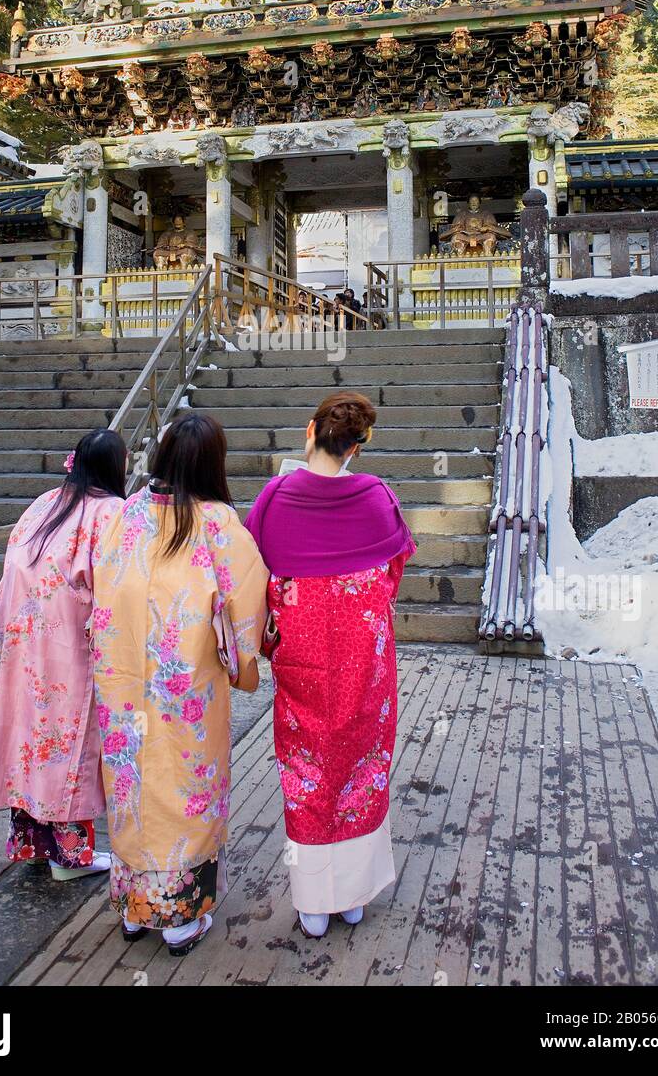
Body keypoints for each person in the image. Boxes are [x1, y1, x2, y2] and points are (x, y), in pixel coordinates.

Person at [91, 412, 268, 958]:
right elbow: (245, 606)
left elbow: (105, 584)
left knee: (132, 790)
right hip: (186, 692)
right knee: (184, 790)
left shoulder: (131, 514)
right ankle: (179, 918)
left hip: (122, 682)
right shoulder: (218, 524)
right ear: (214, 464)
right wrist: (243, 664)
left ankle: (133, 908)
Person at [244, 392, 416, 939]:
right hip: (363, 662)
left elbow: (254, 572)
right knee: (361, 765)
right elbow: (391, 573)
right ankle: (354, 895)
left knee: (307, 771)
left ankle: (313, 900)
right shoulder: (376, 497)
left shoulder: (276, 497)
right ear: (355, 448)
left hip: (302, 661)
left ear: (310, 430)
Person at [0, 428, 126, 880]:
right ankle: (69, 856)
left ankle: (31, 844)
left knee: (28, 741)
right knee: (68, 745)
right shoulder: (112, 513)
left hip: (26, 646)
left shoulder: (43, 504)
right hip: (73, 651)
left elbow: (9, 576)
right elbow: (119, 588)